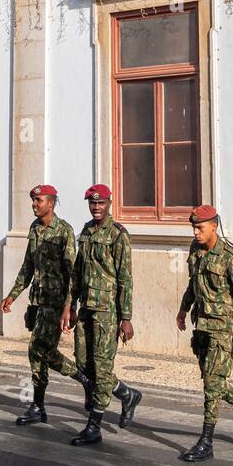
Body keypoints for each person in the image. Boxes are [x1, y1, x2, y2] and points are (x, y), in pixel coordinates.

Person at [176, 204, 233, 462]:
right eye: (194, 227)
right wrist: (183, 310)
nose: (196, 232)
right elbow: (192, 284)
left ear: (214, 226)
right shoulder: (195, 250)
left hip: (223, 329)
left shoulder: (229, 256)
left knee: (211, 385)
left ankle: (206, 441)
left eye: (200, 227)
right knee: (213, 382)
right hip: (202, 326)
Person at [1, 185, 92, 424]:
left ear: (51, 203)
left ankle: (83, 379)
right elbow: (28, 266)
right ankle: (39, 406)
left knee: (39, 350)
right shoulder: (34, 229)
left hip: (56, 303)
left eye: (39, 200)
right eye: (33, 200)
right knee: (39, 353)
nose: (34, 204)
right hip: (38, 302)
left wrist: (69, 307)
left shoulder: (64, 231)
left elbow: (72, 273)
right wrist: (13, 294)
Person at [61, 184, 141, 446]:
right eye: (92, 203)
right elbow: (76, 272)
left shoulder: (118, 235)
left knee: (103, 368)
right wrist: (69, 305)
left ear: (109, 204)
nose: (96, 207)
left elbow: (125, 279)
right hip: (85, 309)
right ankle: (126, 393)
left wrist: (125, 318)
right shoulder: (85, 231)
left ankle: (94, 426)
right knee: (84, 365)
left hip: (108, 311)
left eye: (101, 203)